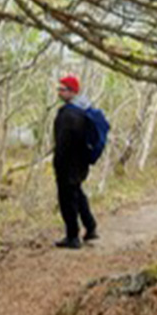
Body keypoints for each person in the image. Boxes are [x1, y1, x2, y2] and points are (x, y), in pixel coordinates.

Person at [53, 74, 98, 249]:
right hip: (80, 163)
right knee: (77, 194)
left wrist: (58, 162)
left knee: (67, 199)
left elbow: (64, 142)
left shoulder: (68, 114)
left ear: (71, 92)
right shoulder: (83, 111)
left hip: (68, 165)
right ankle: (91, 226)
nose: (59, 92)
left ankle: (72, 237)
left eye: (62, 89)